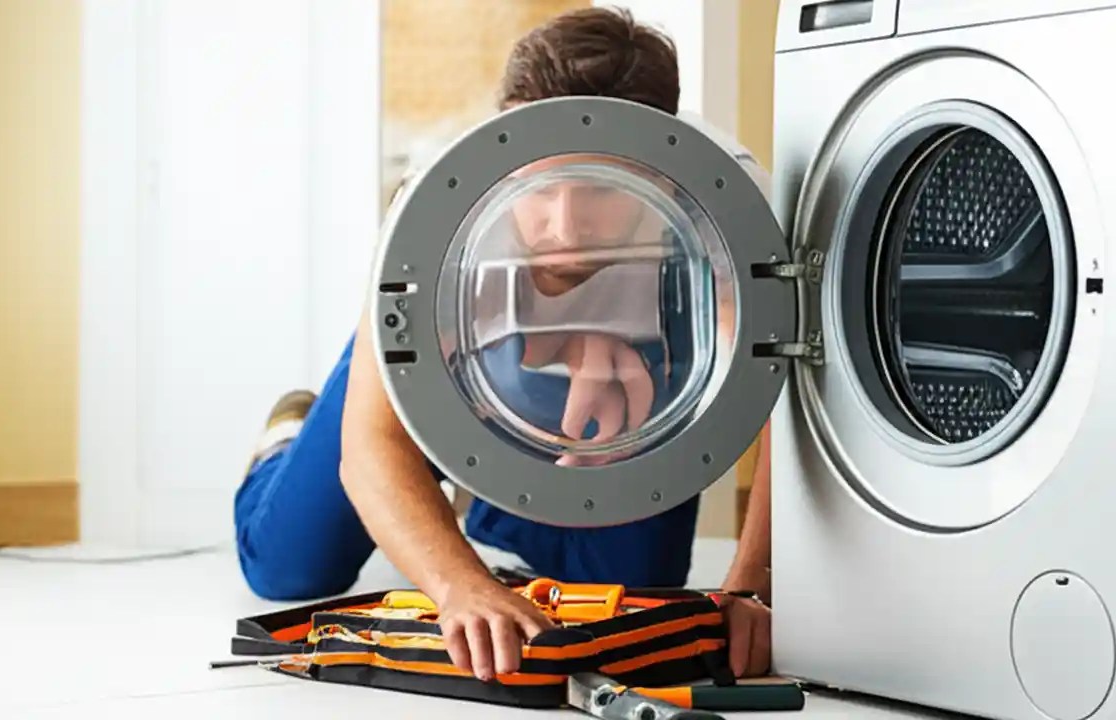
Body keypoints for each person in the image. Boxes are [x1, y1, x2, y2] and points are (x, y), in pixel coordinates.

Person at [233, 6, 773, 683]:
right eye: (541, 188)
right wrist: (459, 586)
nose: (564, 227)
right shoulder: (437, 199)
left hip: (619, 379)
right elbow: (373, 450)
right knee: (287, 568)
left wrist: (753, 586)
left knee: (636, 593)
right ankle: (289, 435)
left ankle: (504, 527)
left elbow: (787, 406)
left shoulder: (729, 203)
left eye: (598, 191)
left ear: (659, 169)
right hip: (441, 358)